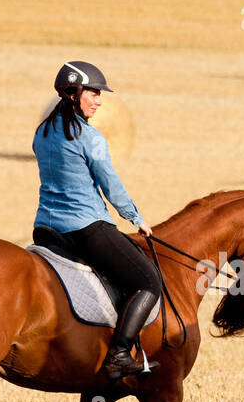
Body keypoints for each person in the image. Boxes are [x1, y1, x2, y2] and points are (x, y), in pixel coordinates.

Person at [33, 60, 161, 381]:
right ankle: (119, 354)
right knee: (148, 281)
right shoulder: (91, 138)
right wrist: (136, 217)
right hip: (86, 228)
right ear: (73, 94)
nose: (99, 100)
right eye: (93, 93)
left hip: (46, 230)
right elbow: (110, 185)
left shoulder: (42, 133)